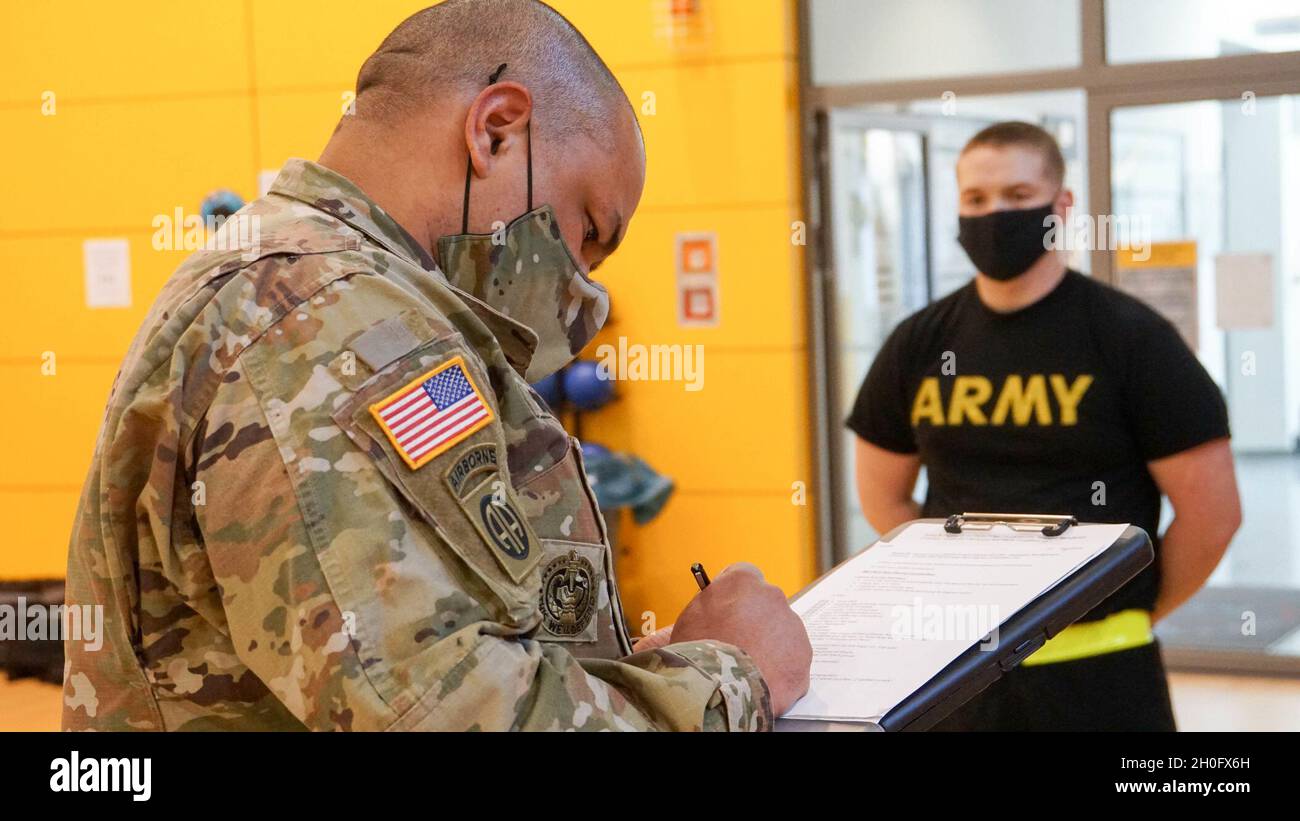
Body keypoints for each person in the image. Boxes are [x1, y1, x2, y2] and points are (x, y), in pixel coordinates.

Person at [63, 0, 810, 732]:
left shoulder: (335, 300)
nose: (582, 289)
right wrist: (731, 677)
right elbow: (448, 711)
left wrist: (628, 682)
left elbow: (453, 652)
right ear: (493, 131)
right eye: (588, 229)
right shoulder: (323, 325)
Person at [848, 121, 1241, 731]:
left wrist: (1129, 604)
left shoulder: (1132, 339)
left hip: (1102, 678)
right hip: (954, 676)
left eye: (1017, 195)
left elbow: (1213, 512)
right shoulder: (919, 343)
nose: (994, 213)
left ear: (1062, 205)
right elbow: (883, 495)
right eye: (976, 200)